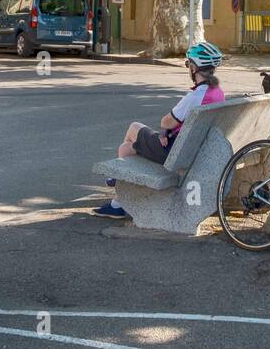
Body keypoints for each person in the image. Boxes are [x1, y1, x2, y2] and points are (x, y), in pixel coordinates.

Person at [94, 41, 226, 219]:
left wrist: (165, 128)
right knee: (126, 149)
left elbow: (167, 120)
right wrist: (167, 129)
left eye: (188, 64)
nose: (188, 68)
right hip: (194, 149)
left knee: (134, 127)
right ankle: (118, 199)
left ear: (195, 67)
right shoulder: (217, 92)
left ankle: (118, 188)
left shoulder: (195, 96)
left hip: (174, 153)